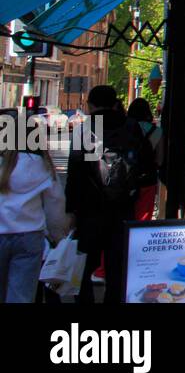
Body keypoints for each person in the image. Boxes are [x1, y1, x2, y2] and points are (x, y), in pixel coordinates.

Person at [65, 86, 155, 303]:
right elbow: (146, 164)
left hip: (90, 208)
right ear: (115, 102)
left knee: (84, 267)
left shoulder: (86, 129)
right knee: (117, 267)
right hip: (122, 208)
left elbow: (76, 172)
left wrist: (71, 209)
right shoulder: (132, 127)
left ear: (91, 105)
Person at [0, 108, 73, 303]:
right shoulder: (40, 164)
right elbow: (55, 204)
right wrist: (57, 236)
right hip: (30, 236)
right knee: (21, 295)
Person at [125, 99, 163, 220]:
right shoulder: (157, 131)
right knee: (143, 217)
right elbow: (160, 160)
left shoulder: (126, 129)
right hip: (148, 177)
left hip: (127, 178)